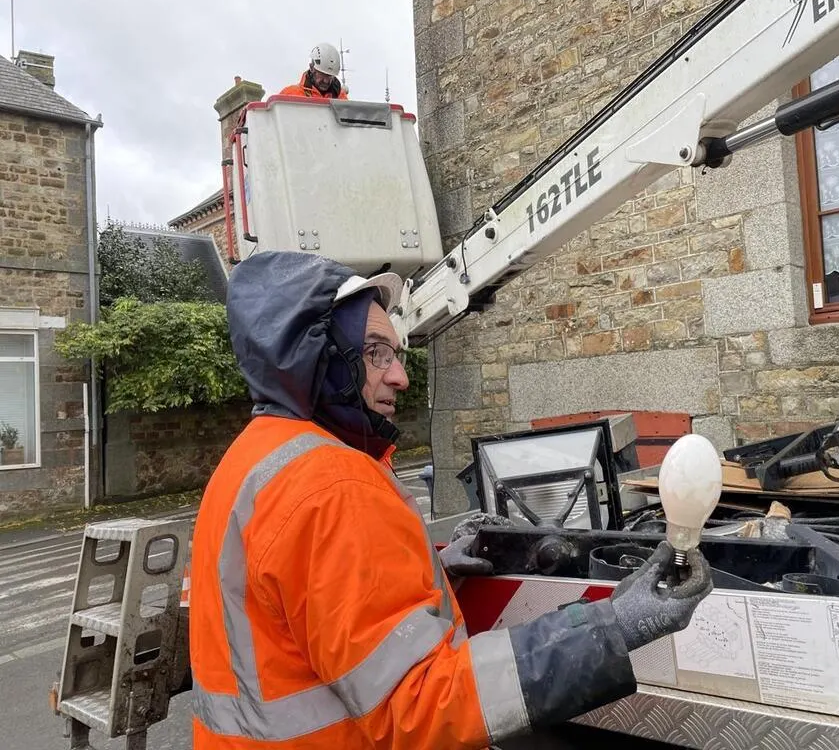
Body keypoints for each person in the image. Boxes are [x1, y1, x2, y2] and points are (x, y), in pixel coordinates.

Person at [188, 249, 714, 749]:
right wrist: (616, 626)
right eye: (374, 353)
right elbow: (420, 704)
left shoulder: (252, 460)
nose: (400, 374)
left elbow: (299, 611)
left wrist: (436, 568)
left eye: (395, 353)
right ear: (316, 360)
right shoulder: (332, 483)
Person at [280, 42, 349, 99]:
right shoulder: (290, 94)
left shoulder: (341, 98)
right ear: (312, 68)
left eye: (329, 76)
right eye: (322, 74)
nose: (326, 81)